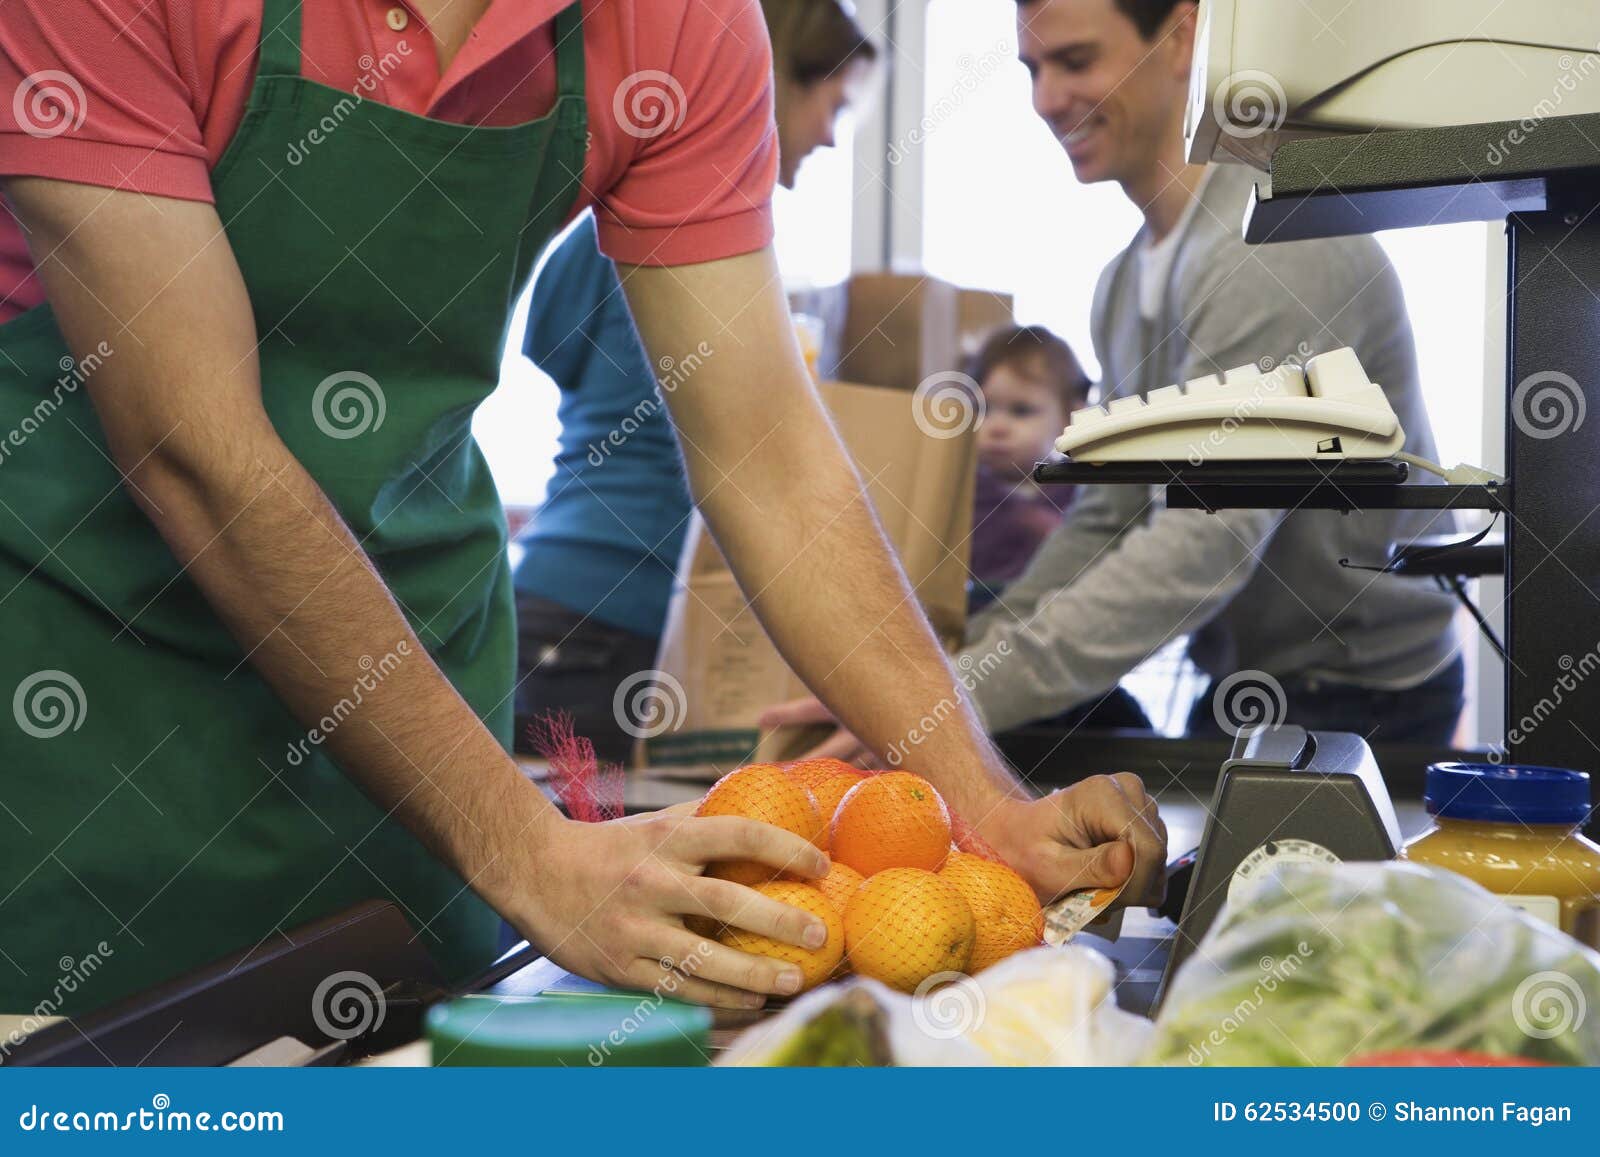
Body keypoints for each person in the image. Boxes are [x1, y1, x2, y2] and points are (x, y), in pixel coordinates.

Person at [0, 0, 1163, 1016]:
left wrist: (981, 801)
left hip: (410, 712)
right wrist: (525, 848)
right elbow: (190, 442)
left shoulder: (678, 26)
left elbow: (766, 454)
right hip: (89, 693)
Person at [766, 0, 1462, 760]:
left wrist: (944, 702)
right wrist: (945, 678)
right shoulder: (1124, 285)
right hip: (1254, 677)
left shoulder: (1271, 246)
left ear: (1183, 37)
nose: (1045, 100)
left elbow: (1207, 538)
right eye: (1033, 70)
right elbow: (1108, 517)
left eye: (1076, 61)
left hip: (1365, 694)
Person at [512, 0, 879, 766]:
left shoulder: (594, 230)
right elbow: (764, 446)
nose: (829, 134)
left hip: (542, 599)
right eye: (831, 104)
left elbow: (549, 346)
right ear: (776, 78)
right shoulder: (703, 247)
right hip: (626, 617)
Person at [966, 324, 1089, 612]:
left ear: (1069, 418)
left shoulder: (1080, 490)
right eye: (983, 410)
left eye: (1021, 411)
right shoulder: (964, 492)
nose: (996, 427)